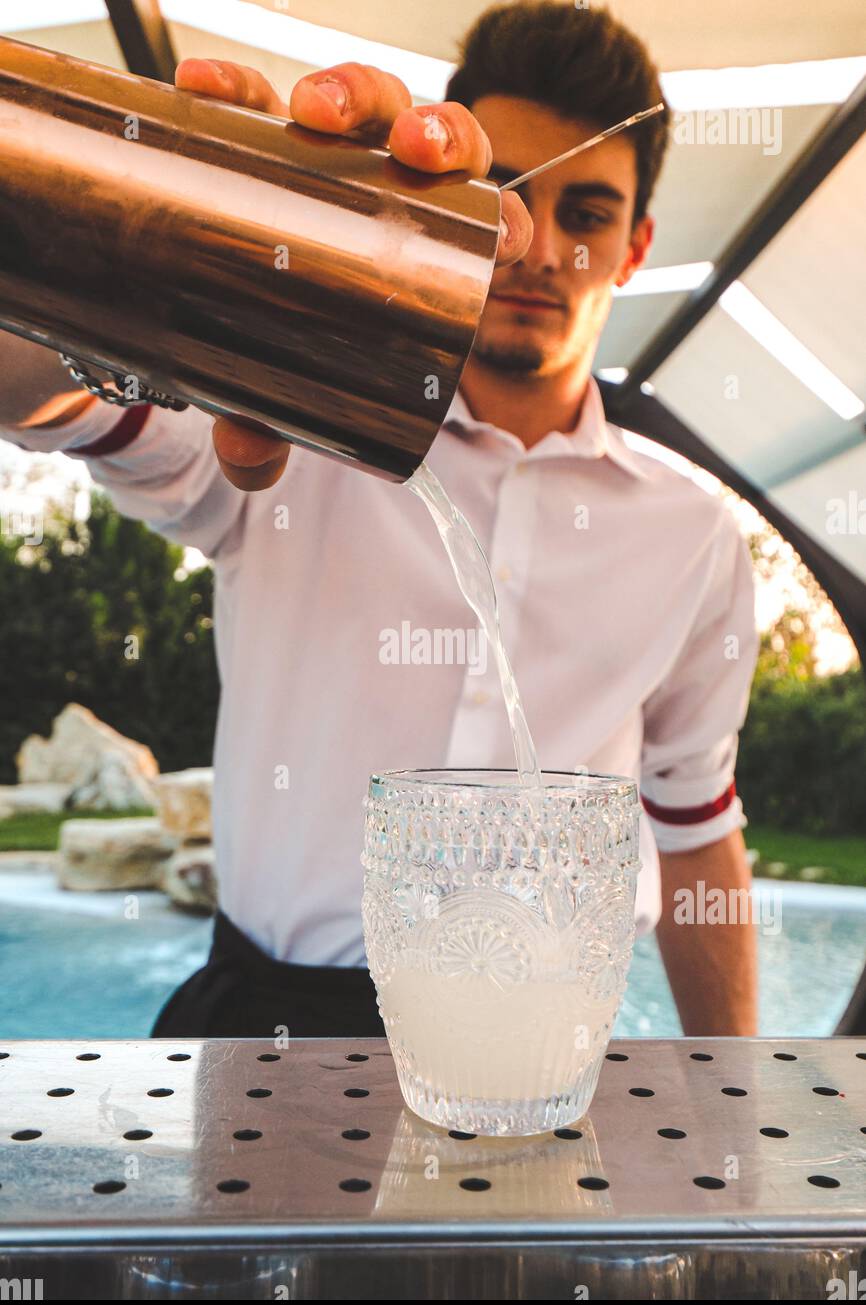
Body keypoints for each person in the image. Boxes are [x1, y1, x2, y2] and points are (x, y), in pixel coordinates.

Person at [0, 2, 760, 1039]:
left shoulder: (693, 537)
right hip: (266, 1022)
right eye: (506, 199)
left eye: (583, 214)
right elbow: (31, 394)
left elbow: (695, 827)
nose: (538, 249)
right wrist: (165, 247)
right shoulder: (285, 422)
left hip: (538, 1040)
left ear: (632, 249)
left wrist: (732, 1109)